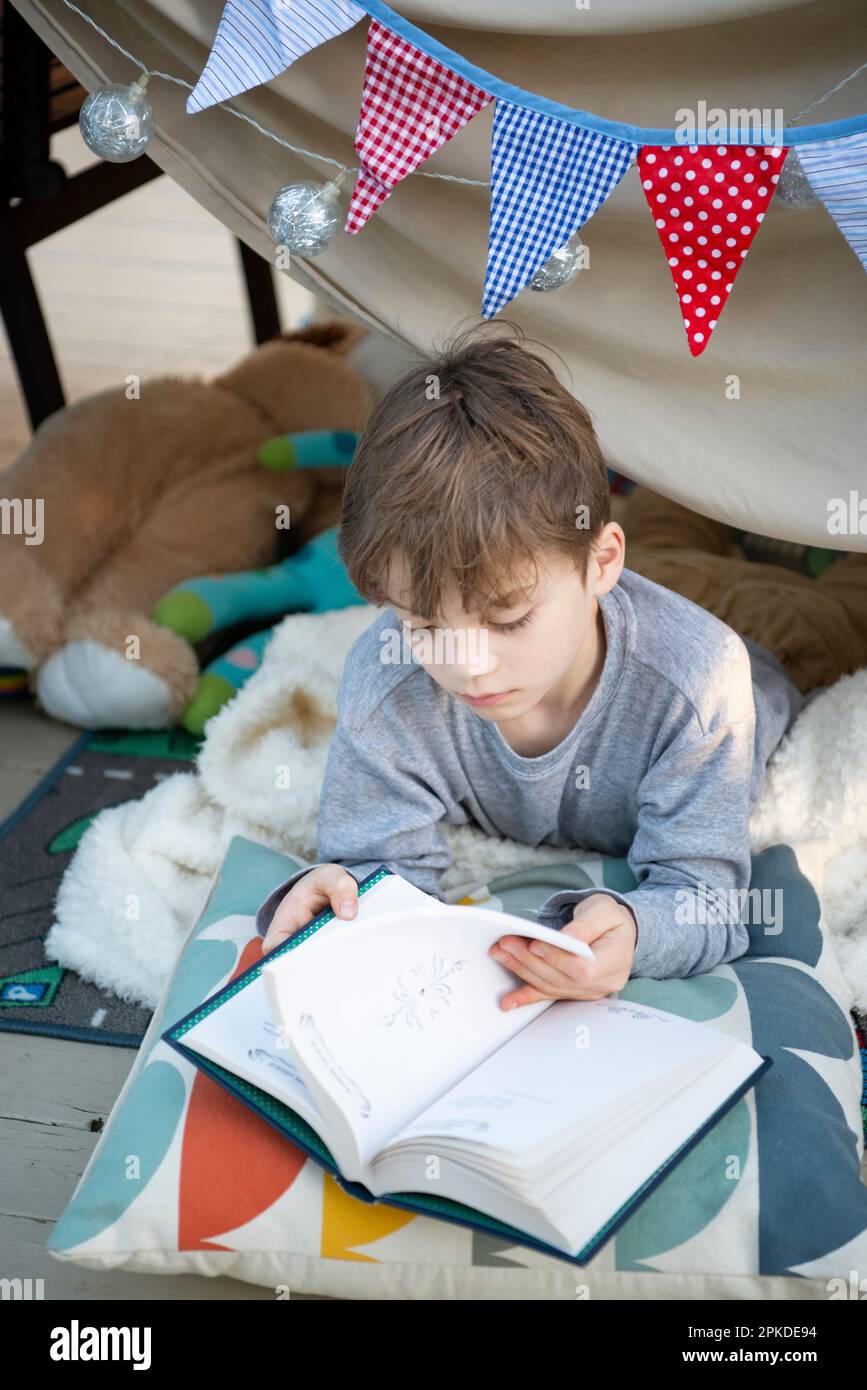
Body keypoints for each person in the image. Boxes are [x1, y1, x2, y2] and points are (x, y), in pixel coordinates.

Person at [255, 326, 805, 1010]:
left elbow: (704, 899)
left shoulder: (700, 684)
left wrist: (638, 928)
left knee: (821, 606)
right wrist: (343, 898)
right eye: (423, 625)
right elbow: (376, 870)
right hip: (633, 591)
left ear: (600, 563)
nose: (469, 667)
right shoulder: (386, 679)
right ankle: (663, 531)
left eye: (508, 619)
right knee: (677, 541)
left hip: (764, 643)